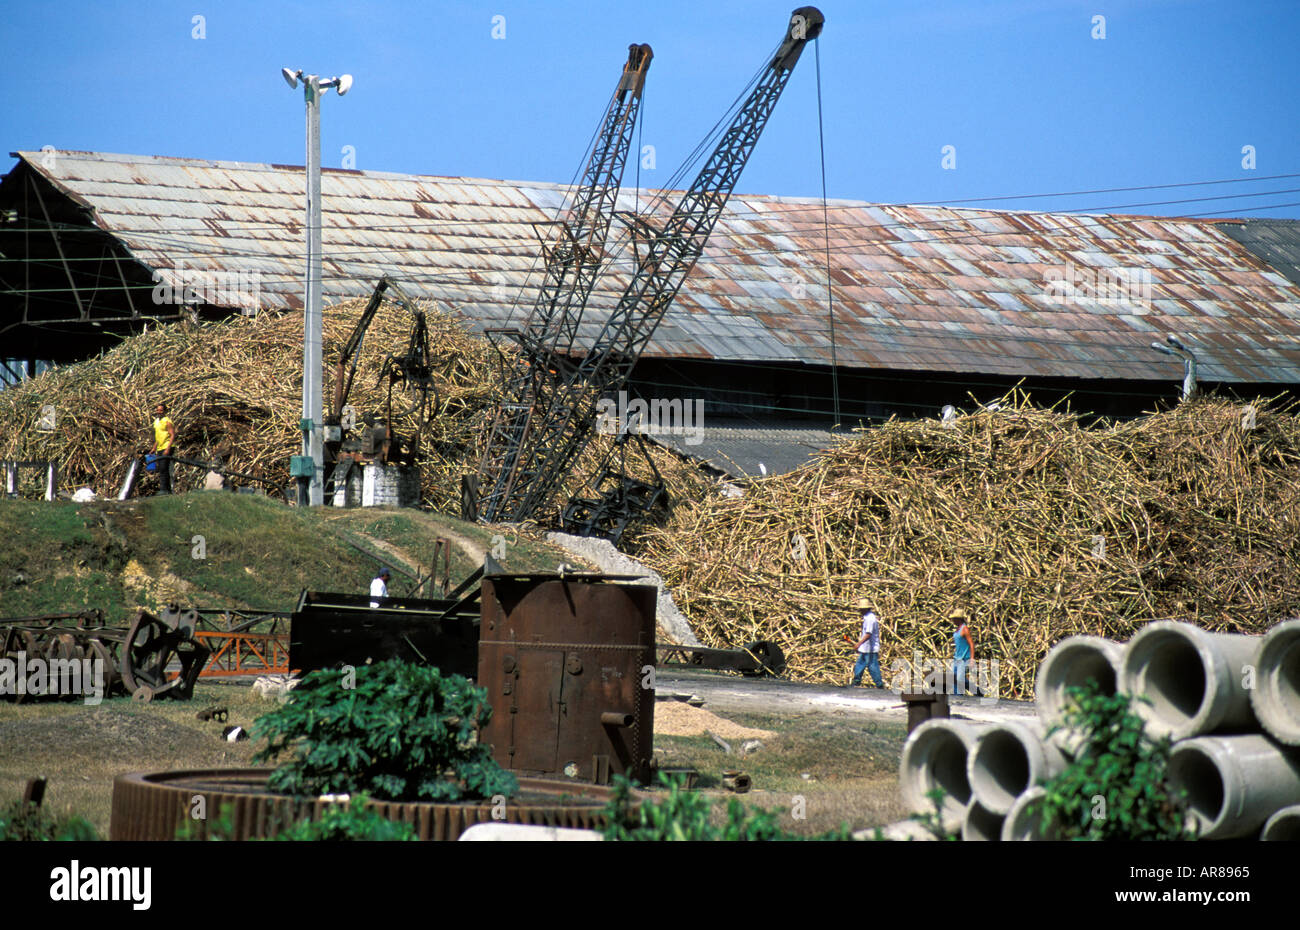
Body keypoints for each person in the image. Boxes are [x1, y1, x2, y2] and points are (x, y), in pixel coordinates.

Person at [850, 598, 884, 688]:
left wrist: (858, 643)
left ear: (865, 609)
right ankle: (856, 682)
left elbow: (868, 634)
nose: (860, 611)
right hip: (865, 648)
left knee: (872, 667)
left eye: (861, 609)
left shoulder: (870, 619)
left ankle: (879, 684)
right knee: (860, 664)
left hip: (870, 648)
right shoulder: (868, 617)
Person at [150, 402, 177, 495]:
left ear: (165, 411)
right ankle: (167, 490)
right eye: (158, 410)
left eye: (161, 410)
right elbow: (158, 436)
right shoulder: (156, 422)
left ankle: (164, 490)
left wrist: (168, 449)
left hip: (167, 446)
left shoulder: (167, 421)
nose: (159, 412)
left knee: (163, 468)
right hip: (160, 447)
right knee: (161, 468)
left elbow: (172, 435)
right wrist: (154, 448)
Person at [951, 607, 976, 696]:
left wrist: (972, 659)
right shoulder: (957, 630)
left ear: (959, 619)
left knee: (959, 679)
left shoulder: (964, 629)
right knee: (954, 678)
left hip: (964, 658)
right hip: (956, 658)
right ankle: (976, 691)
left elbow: (971, 644)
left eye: (954, 619)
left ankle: (959, 697)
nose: (952, 620)